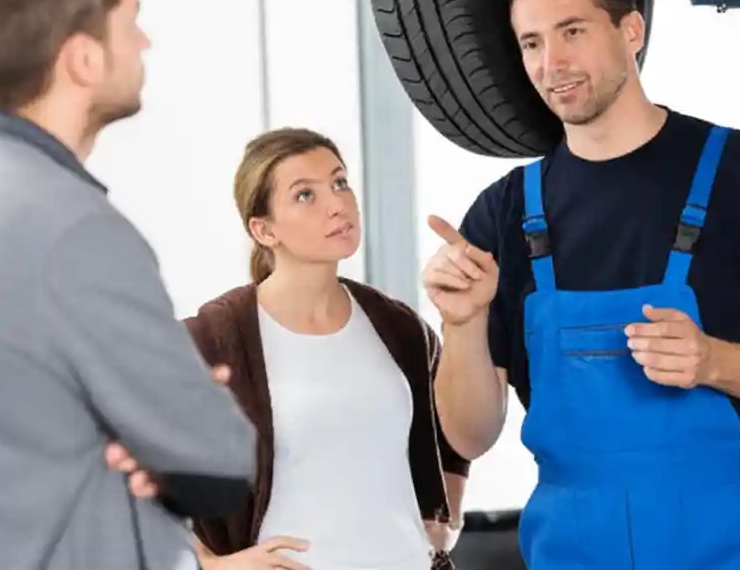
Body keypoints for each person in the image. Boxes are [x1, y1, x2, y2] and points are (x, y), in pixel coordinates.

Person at [422, 0, 740, 569]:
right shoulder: (504, 213)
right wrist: (462, 327)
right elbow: (469, 435)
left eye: (572, 32)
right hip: (572, 550)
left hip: (725, 548)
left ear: (631, 30)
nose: (553, 64)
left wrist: (711, 360)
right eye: (532, 43)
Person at [0, 0, 256, 570]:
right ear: (83, 60)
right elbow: (218, 460)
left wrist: (160, 425)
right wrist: (180, 416)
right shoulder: (74, 231)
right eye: (132, 22)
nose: (145, 42)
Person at [110, 127, 471, 569]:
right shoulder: (213, 340)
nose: (337, 203)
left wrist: (442, 521)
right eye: (305, 195)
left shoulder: (399, 327)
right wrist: (212, 565)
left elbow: (450, 440)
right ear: (264, 230)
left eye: (340, 183)